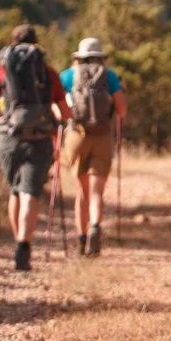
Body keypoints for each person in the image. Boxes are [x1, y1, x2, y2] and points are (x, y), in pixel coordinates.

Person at [0, 24, 69, 271]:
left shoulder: (2, 72)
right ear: (36, 43)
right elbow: (65, 112)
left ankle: (18, 240)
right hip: (40, 139)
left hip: (8, 139)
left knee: (15, 190)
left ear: (13, 43)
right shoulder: (48, 73)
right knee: (31, 191)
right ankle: (23, 245)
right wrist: (55, 122)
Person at [58, 38, 128, 256]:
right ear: (101, 57)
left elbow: (57, 109)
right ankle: (95, 226)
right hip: (102, 136)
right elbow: (122, 110)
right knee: (97, 191)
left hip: (76, 135)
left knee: (83, 191)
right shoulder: (110, 76)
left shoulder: (67, 76)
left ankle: (82, 240)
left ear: (79, 57)